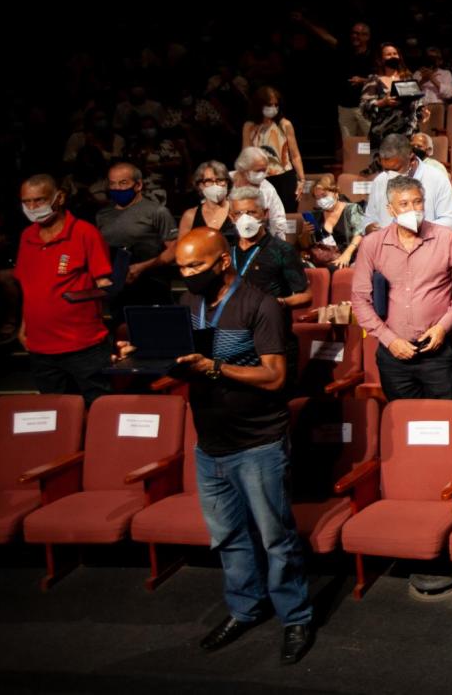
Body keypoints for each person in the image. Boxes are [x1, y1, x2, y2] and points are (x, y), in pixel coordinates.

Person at [158, 227, 313, 663]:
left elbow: (275, 377)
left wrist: (213, 368)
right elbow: (180, 361)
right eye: (182, 267)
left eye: (195, 266)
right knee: (228, 536)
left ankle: (295, 617)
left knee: (275, 539)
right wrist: (140, 354)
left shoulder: (259, 304)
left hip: (258, 443)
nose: (186, 275)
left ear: (222, 262)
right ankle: (245, 609)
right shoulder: (189, 303)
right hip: (210, 444)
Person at [351, 176, 452, 400]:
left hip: (436, 351)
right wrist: (389, 340)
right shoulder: (372, 245)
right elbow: (360, 300)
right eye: (404, 204)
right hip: (394, 354)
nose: (413, 209)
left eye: (418, 202)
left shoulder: (446, 238)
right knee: (403, 424)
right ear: (391, 209)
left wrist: (443, 327)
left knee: (442, 423)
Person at [16, 175, 113, 405]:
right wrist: (23, 326)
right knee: (56, 417)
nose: (31, 208)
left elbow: (105, 285)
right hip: (41, 348)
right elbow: (28, 287)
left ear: (59, 198)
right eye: (26, 202)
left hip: (84, 346)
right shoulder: (26, 237)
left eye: (38, 201)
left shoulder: (85, 233)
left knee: (99, 409)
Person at [226, 188, 312, 372]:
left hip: (273, 341)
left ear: (264, 214)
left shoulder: (282, 250)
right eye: (239, 213)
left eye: (251, 212)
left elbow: (306, 296)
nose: (245, 218)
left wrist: (278, 302)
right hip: (235, 342)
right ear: (231, 217)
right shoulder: (226, 252)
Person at [96, 161, 178, 306]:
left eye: (123, 183)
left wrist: (142, 267)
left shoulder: (157, 212)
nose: (117, 188)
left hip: (151, 286)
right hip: (116, 288)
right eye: (112, 184)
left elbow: (174, 249)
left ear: (138, 185)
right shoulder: (102, 215)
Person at [364, 134, 452, 231]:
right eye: (387, 170)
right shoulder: (380, 180)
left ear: (411, 159)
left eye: (396, 169)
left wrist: (419, 227)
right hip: (386, 243)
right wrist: (368, 226)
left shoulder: (437, 179)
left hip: (427, 243)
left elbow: (451, 222)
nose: (390, 174)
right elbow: (369, 217)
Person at [242, 87, 305, 211]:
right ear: (259, 105)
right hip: (260, 177)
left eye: (276, 105)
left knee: (287, 213)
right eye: (269, 104)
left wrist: (302, 179)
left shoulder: (285, 124)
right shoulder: (249, 126)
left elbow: (295, 155)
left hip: (285, 177)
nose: (273, 108)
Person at [361, 43, 419, 147]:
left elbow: (417, 103)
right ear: (381, 59)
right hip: (382, 135)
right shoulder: (373, 80)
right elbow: (364, 107)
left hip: (407, 134)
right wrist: (382, 102)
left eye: (395, 53)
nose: (393, 56)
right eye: (388, 54)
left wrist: (423, 111)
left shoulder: (408, 78)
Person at [304, 175, 368, 269]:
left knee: (334, 267)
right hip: (319, 259)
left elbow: (360, 233)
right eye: (317, 198)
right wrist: (305, 233)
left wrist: (346, 255)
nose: (321, 200)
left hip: (344, 257)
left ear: (336, 193)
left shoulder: (351, 209)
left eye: (324, 195)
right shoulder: (315, 216)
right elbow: (305, 244)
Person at [177, 160, 239, 248]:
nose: (215, 185)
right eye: (208, 181)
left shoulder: (238, 211)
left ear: (227, 183)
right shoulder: (190, 216)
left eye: (220, 180)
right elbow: (182, 249)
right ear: (200, 185)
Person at [231, 147, 289, 240]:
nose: (263, 174)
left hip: (259, 240)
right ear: (243, 168)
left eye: (264, 170)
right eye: (258, 171)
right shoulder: (225, 181)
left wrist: (280, 247)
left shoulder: (268, 189)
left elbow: (278, 221)